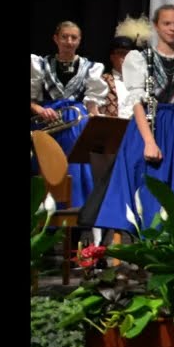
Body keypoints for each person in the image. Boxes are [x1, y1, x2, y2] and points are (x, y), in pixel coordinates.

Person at [88, 5, 174, 234]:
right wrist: (149, 141)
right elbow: (137, 103)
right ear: (156, 25)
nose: (172, 28)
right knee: (148, 189)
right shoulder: (139, 58)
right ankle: (146, 252)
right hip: (150, 127)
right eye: (166, 23)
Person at [31, 21, 109, 212]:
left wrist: (96, 121)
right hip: (48, 124)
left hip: (75, 125)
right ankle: (45, 222)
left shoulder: (89, 67)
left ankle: (74, 216)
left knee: (74, 168)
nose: (69, 41)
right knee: (47, 168)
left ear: (79, 40)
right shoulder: (40, 64)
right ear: (56, 39)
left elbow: (92, 104)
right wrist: (39, 110)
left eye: (74, 37)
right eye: (64, 37)